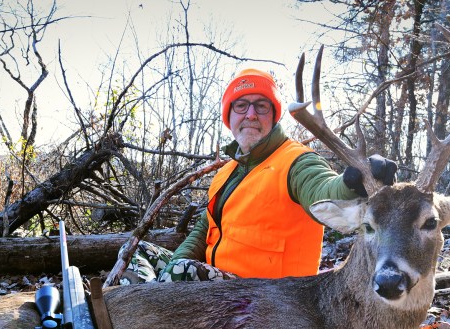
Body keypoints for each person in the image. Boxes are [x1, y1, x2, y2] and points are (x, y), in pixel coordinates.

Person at [120, 68, 396, 284]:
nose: (251, 114)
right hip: (216, 282)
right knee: (137, 251)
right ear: (230, 117)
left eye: (261, 106)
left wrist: (350, 183)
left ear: (274, 116)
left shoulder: (296, 160)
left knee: (182, 272)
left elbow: (322, 187)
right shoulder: (227, 172)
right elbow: (201, 234)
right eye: (241, 106)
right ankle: (140, 314)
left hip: (268, 300)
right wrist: (169, 270)